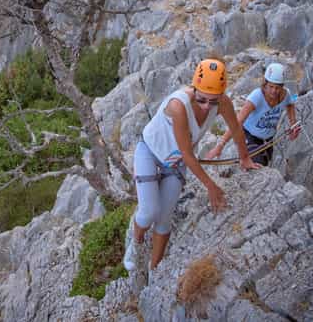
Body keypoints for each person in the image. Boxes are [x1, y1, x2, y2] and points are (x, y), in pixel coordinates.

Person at [123, 58, 260, 272]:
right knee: (149, 211)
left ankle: (154, 269)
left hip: (174, 163)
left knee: (164, 218)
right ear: (194, 88)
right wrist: (211, 186)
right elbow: (188, 154)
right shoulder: (178, 106)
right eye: (202, 99)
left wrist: (244, 157)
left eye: (213, 101)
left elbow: (236, 129)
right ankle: (136, 243)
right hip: (150, 151)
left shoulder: (223, 103)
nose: (207, 107)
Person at [204, 62, 299, 166]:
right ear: (265, 84)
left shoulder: (285, 95)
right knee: (257, 165)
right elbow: (237, 122)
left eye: (277, 88)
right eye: (271, 86)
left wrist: (292, 124)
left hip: (269, 139)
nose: (274, 91)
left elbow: (290, 105)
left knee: (266, 163)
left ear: (282, 87)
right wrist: (220, 146)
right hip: (249, 136)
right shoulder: (256, 97)